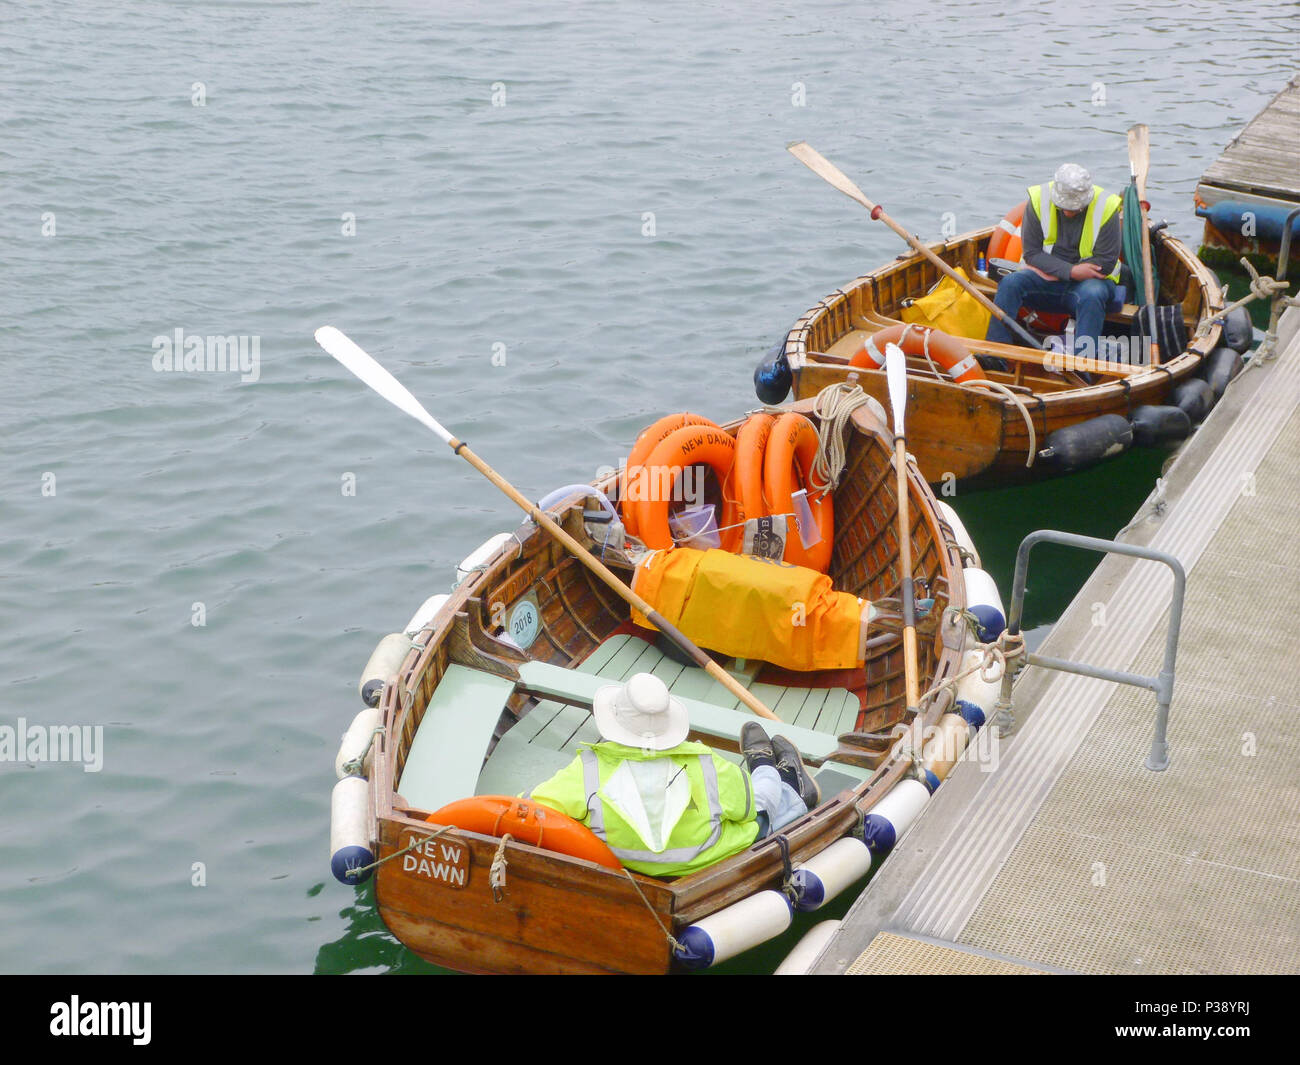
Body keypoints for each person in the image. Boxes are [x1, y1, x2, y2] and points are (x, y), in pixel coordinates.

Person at [528, 672, 819, 877]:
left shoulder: (586, 769)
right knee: (762, 801)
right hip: (710, 864)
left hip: (630, 869)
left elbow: (532, 810)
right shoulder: (705, 763)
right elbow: (749, 807)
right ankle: (777, 773)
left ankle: (777, 774)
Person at [985, 163, 1122, 360]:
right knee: (1010, 283)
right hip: (1048, 281)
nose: (1068, 213)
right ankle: (995, 356)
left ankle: (1083, 364)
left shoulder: (1107, 207)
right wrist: (1071, 271)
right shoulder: (1038, 200)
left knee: (1093, 294)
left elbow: (1106, 261)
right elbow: (1032, 253)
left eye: (1075, 209)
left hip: (1088, 284)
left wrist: (1063, 271)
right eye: (1064, 208)